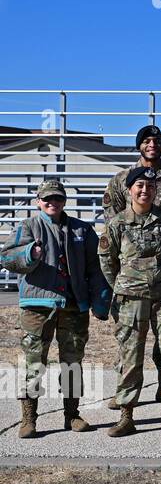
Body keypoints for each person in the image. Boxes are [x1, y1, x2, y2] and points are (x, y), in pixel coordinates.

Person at [2, 179, 110, 437]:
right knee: (33, 362)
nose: (53, 203)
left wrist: (101, 301)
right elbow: (7, 257)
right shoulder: (29, 226)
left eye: (58, 198)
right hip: (37, 306)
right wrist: (30, 253)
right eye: (47, 199)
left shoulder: (82, 230)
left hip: (74, 306)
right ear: (38, 201)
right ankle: (29, 418)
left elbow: (96, 269)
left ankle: (72, 415)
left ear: (64, 201)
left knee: (72, 362)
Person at [102, 125, 161, 404]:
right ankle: (126, 395)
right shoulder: (121, 180)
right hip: (131, 276)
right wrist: (123, 276)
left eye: (157, 140)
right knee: (130, 339)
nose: (152, 144)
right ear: (138, 145)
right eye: (146, 140)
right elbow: (112, 226)